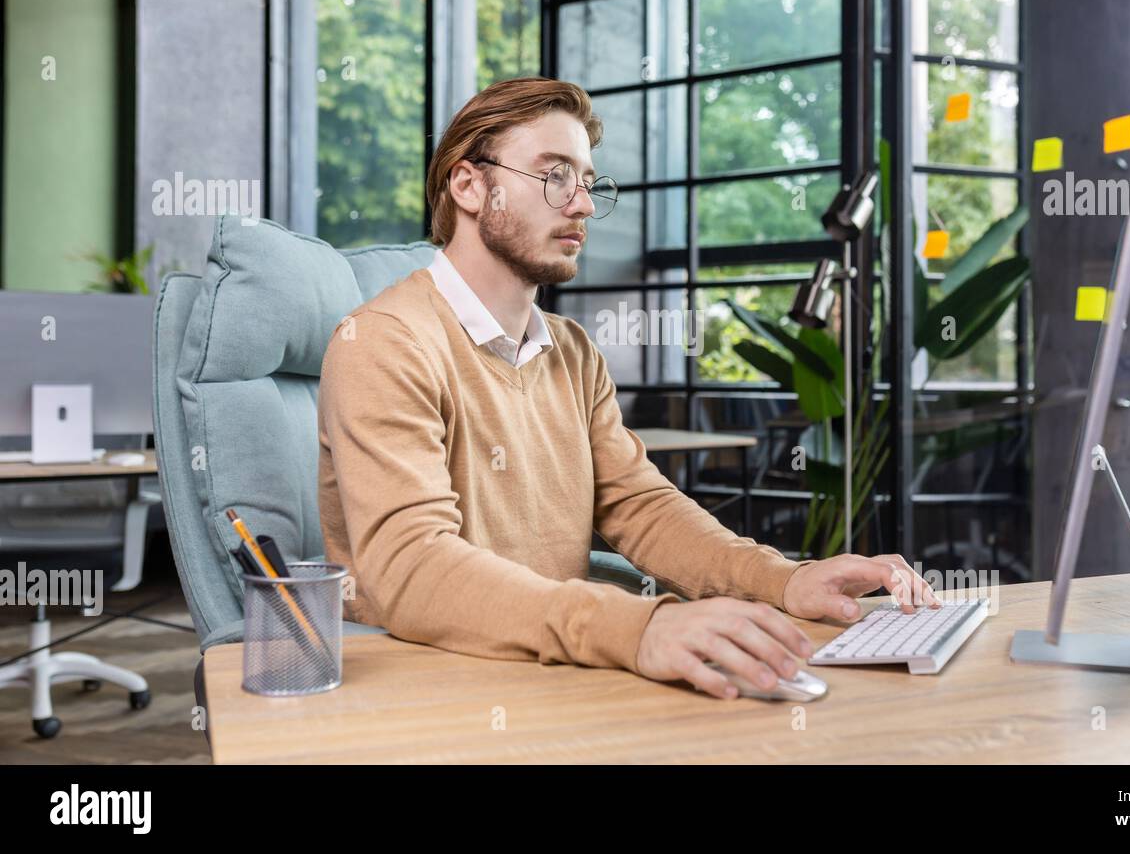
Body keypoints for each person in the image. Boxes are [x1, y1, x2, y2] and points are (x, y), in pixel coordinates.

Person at [318, 76, 938, 700]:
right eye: (554, 175)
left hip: (554, 675)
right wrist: (638, 628)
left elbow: (642, 509)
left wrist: (785, 581)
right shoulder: (383, 342)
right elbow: (412, 569)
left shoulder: (573, 351)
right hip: (432, 689)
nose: (582, 205)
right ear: (470, 185)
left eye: (588, 183)